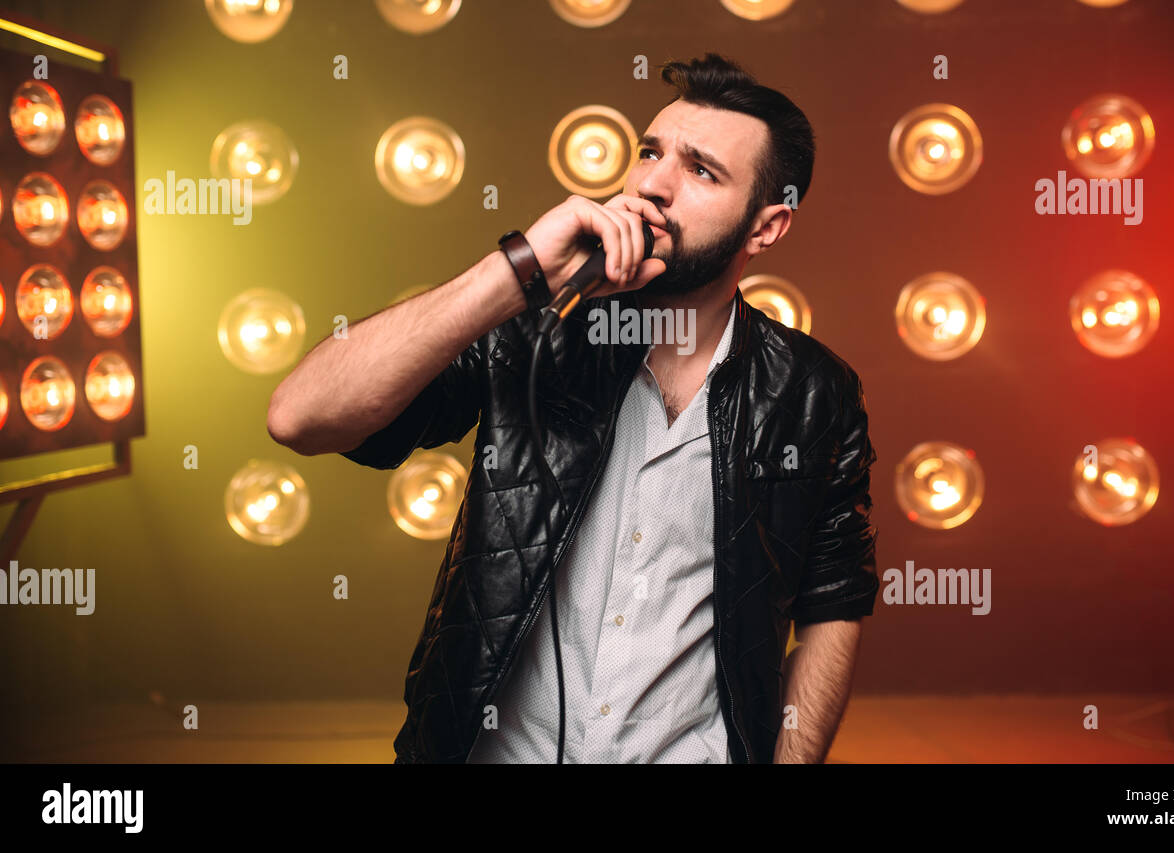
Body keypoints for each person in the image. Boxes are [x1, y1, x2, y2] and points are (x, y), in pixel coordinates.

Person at [267, 52, 879, 763]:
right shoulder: (535, 331)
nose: (652, 183)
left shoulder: (814, 392)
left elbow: (833, 602)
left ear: (768, 226)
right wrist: (520, 269)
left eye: (701, 170)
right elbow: (299, 416)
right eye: (649, 152)